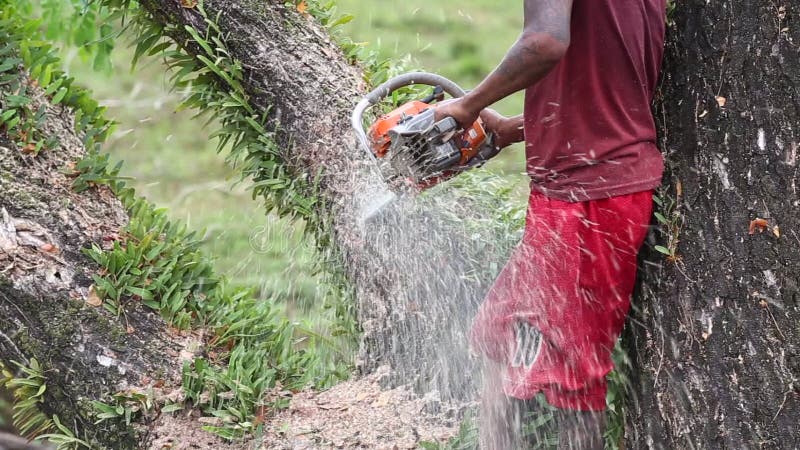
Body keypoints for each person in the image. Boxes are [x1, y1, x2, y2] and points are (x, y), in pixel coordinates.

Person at [434, 0, 667, 448]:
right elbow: (609, 82)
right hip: (589, 189)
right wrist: (512, 127)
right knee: (499, 335)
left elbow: (545, 42)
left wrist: (469, 105)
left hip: (588, 198)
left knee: (575, 378)